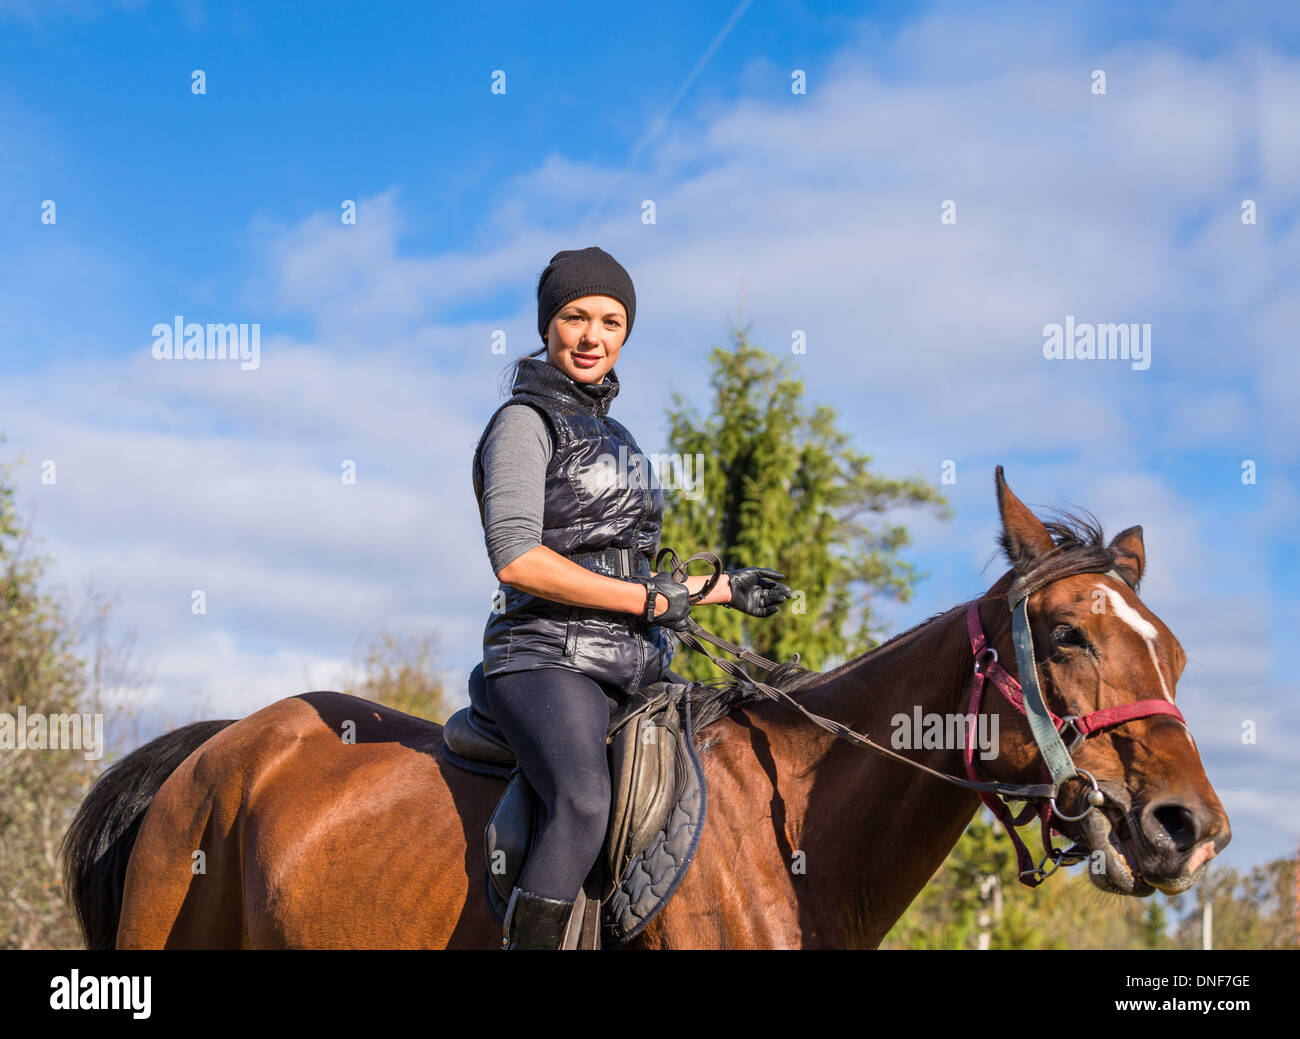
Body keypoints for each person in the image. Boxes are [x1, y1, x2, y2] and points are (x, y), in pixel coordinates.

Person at [471, 246, 792, 949]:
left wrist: (728, 587)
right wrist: (642, 603)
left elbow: (640, 578)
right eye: (575, 317)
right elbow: (518, 558)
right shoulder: (522, 423)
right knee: (584, 802)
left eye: (611, 321)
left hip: (635, 663)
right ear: (547, 325)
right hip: (543, 658)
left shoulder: (620, 437)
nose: (593, 336)